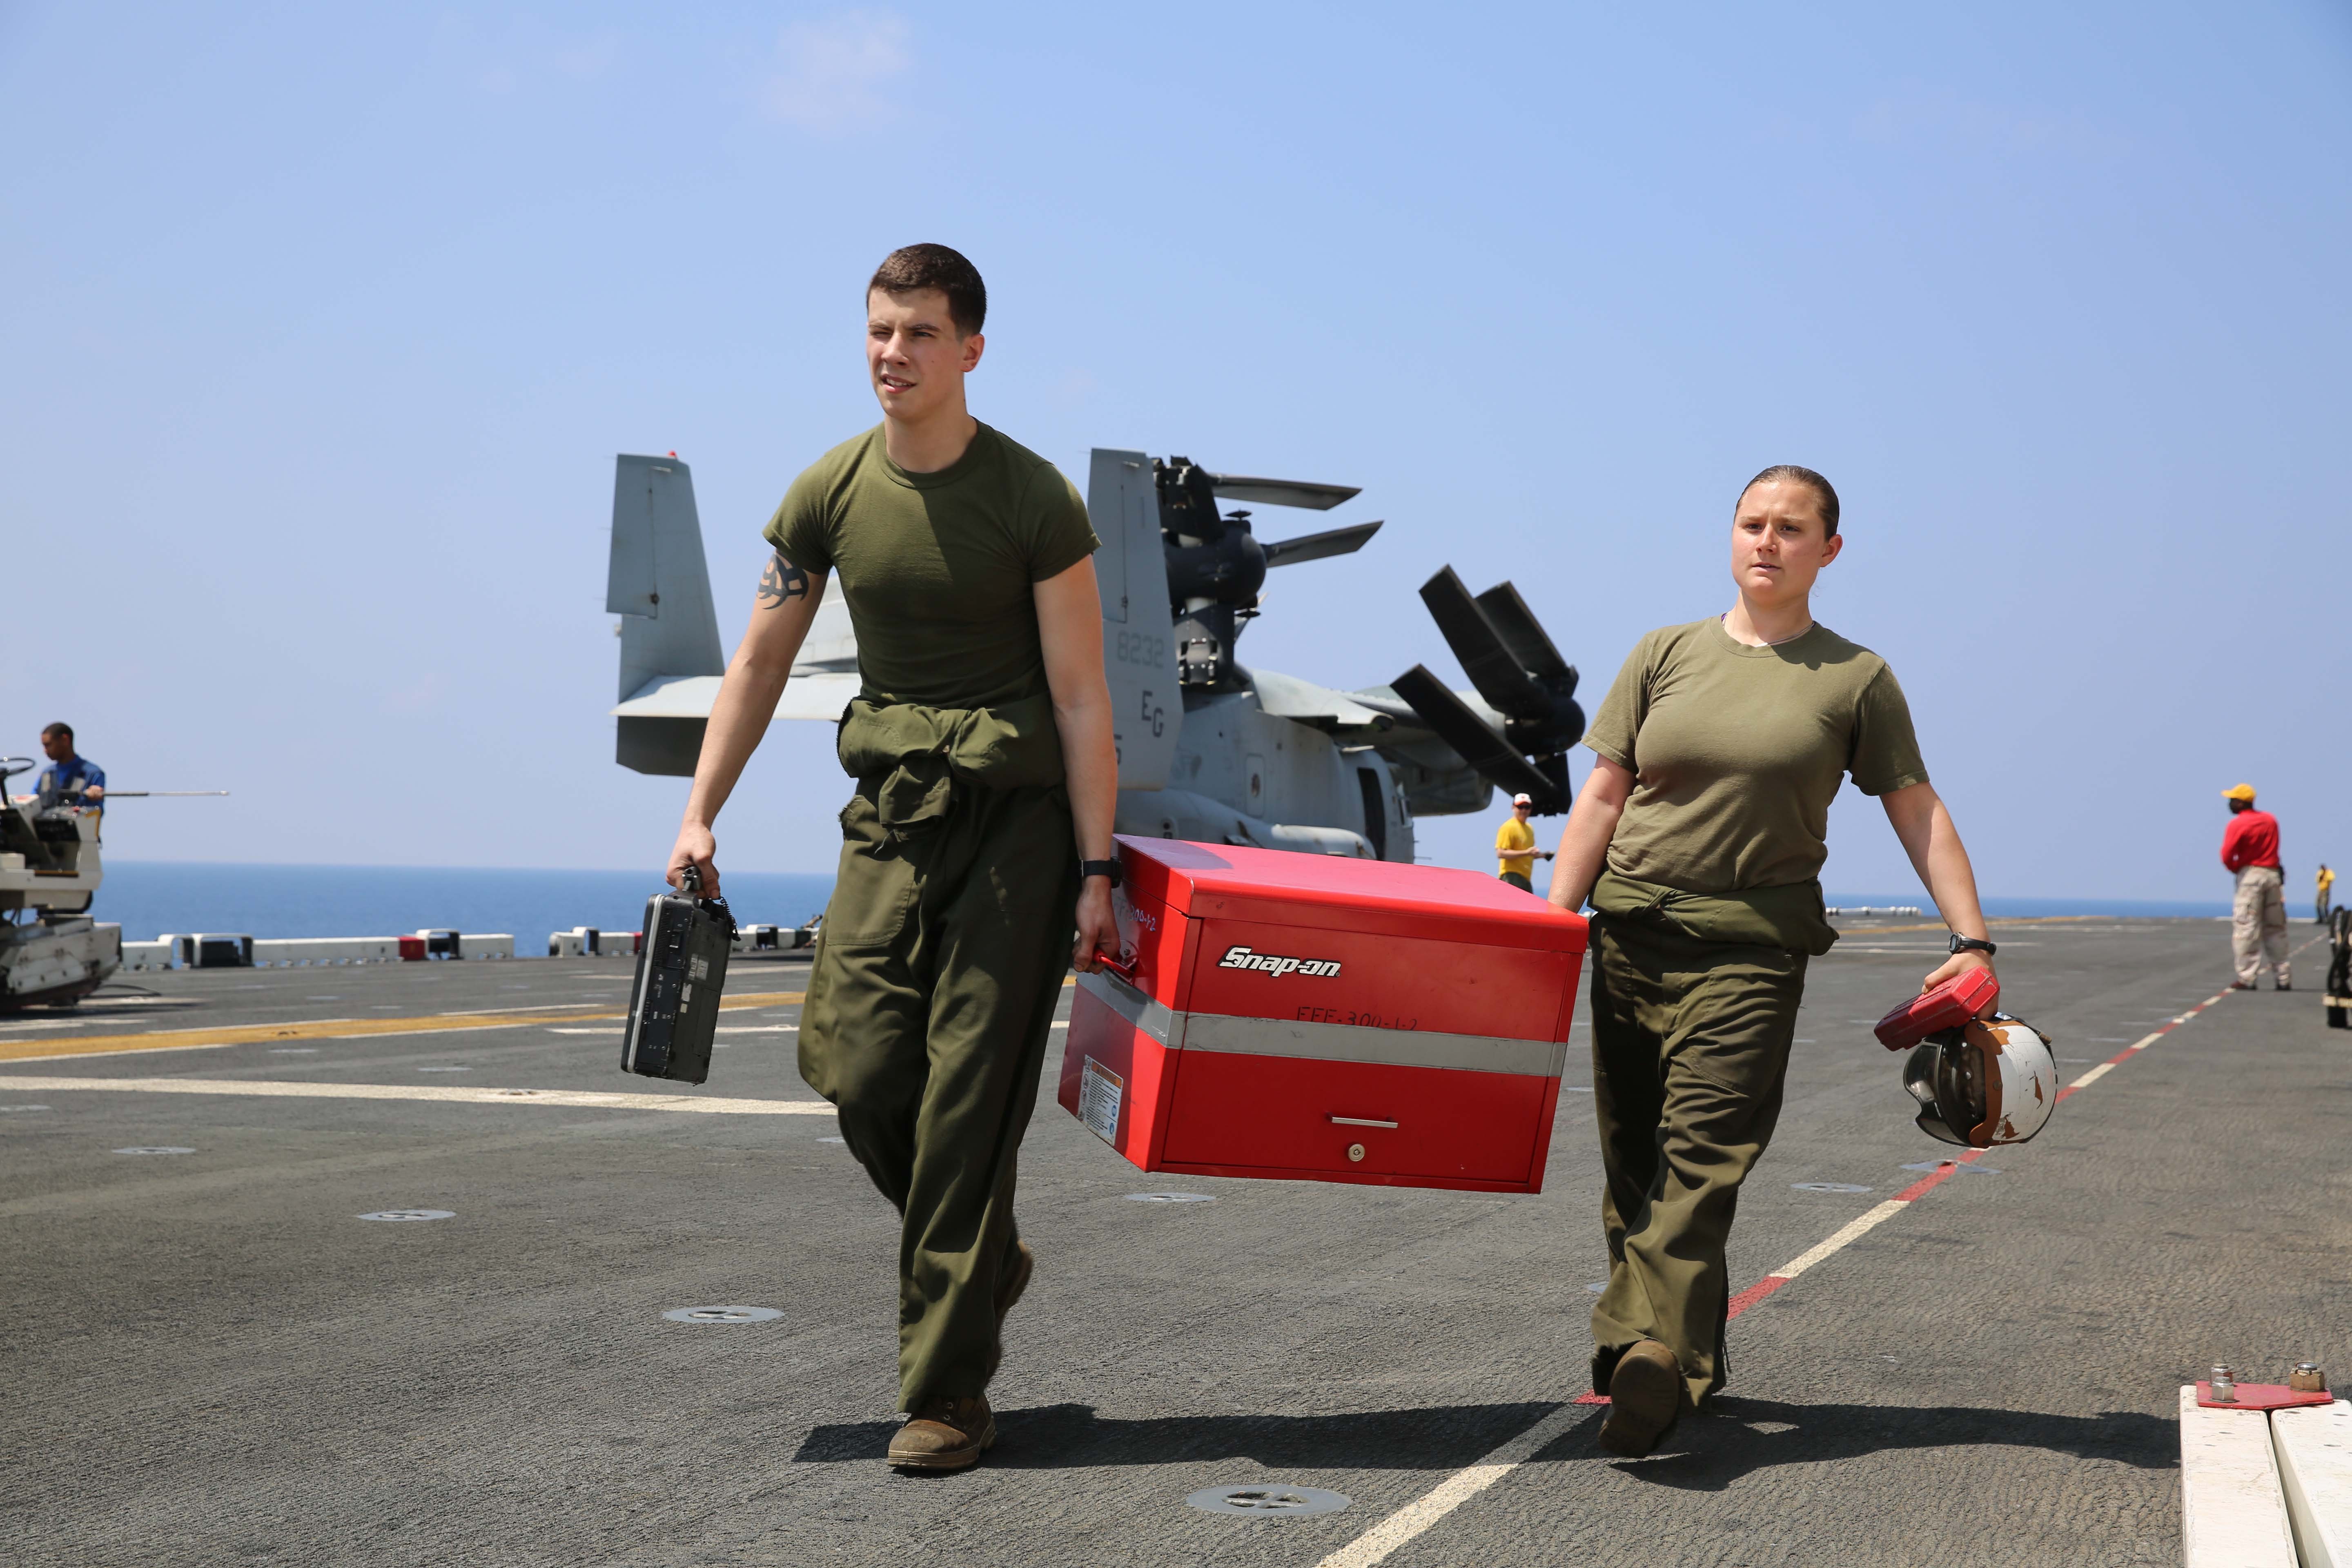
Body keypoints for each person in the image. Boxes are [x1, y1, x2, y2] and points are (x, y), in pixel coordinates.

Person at [664, 244, 1119, 1473]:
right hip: (891, 815)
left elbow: (1081, 696)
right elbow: (756, 665)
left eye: (919, 332)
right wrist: (701, 812)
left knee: (969, 1107)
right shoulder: (825, 493)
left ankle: (949, 1392)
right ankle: (988, 1258)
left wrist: (1094, 869)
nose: (892, 352)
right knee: (860, 1069)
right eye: (878, 329)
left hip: (1017, 831)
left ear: (970, 348)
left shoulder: (1034, 500)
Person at [1545, 464, 1997, 1459]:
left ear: (1826, 551)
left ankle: (1644, 1356)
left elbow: (1913, 808)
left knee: (1702, 1152)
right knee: (1633, 1165)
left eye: (1790, 529)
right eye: (1750, 523)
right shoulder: (1661, 653)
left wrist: (1968, 939)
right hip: (1625, 936)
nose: (1765, 541)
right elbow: (1601, 798)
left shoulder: (1853, 678)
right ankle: (1661, 1358)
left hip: (1748, 951)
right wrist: (1546, 927)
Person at [2220, 784, 2288, 990]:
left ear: (2241, 802)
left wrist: (2236, 869)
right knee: (2276, 928)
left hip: (2251, 876)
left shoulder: (2238, 824)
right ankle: (2283, 978)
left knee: (2247, 928)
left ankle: (2247, 978)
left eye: (2232, 800)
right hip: (2272, 875)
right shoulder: (2270, 820)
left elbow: (2226, 855)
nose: (2229, 804)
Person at [34, 724, 104, 809]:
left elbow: (97, 813)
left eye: (48, 745)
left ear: (65, 740)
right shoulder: (47, 774)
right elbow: (31, 803)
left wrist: (95, 796)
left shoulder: (92, 773)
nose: (45, 751)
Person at [1494, 791, 1552, 891]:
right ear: (1513, 808)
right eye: (1520, 807)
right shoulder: (1508, 827)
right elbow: (1501, 853)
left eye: (1527, 807)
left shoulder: (1529, 829)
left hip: (1526, 878)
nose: (1524, 810)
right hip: (1511, 876)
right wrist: (1527, 852)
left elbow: (1526, 855)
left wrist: (1543, 855)